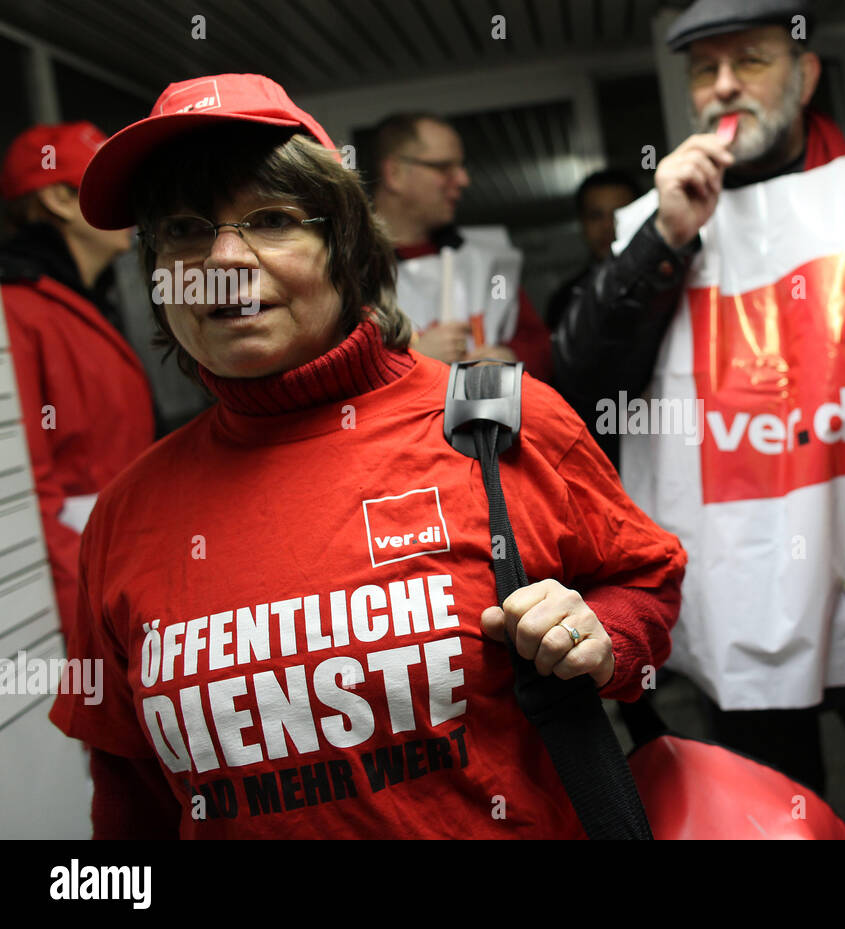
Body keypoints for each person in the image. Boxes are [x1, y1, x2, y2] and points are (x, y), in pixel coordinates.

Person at [49, 73, 686, 839]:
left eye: (271, 219)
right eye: (184, 230)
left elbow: (645, 582)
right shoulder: (128, 515)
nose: (222, 261)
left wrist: (597, 632)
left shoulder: (499, 422)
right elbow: (128, 793)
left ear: (345, 246)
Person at [552, 0, 845, 837]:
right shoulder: (652, 220)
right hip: (741, 601)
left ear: (804, 75)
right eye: (704, 68)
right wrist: (662, 239)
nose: (724, 84)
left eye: (750, 61)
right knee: (768, 821)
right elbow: (579, 381)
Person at [0, 122, 154, 637]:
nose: (130, 209)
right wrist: (87, 623)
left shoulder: (80, 299)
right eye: (110, 190)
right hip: (83, 589)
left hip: (124, 565)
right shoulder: (14, 308)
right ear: (62, 200)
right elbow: (26, 492)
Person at [369, 112, 552, 380]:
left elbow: (542, 348)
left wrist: (510, 357)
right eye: (444, 168)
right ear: (394, 174)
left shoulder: (487, 259)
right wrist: (410, 359)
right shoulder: (347, 267)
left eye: (461, 167)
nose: (463, 180)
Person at [544, 168, 640, 466]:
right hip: (595, 446)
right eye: (595, 216)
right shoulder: (565, 300)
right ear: (582, 224)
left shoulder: (670, 284)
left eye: (619, 213)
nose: (608, 226)